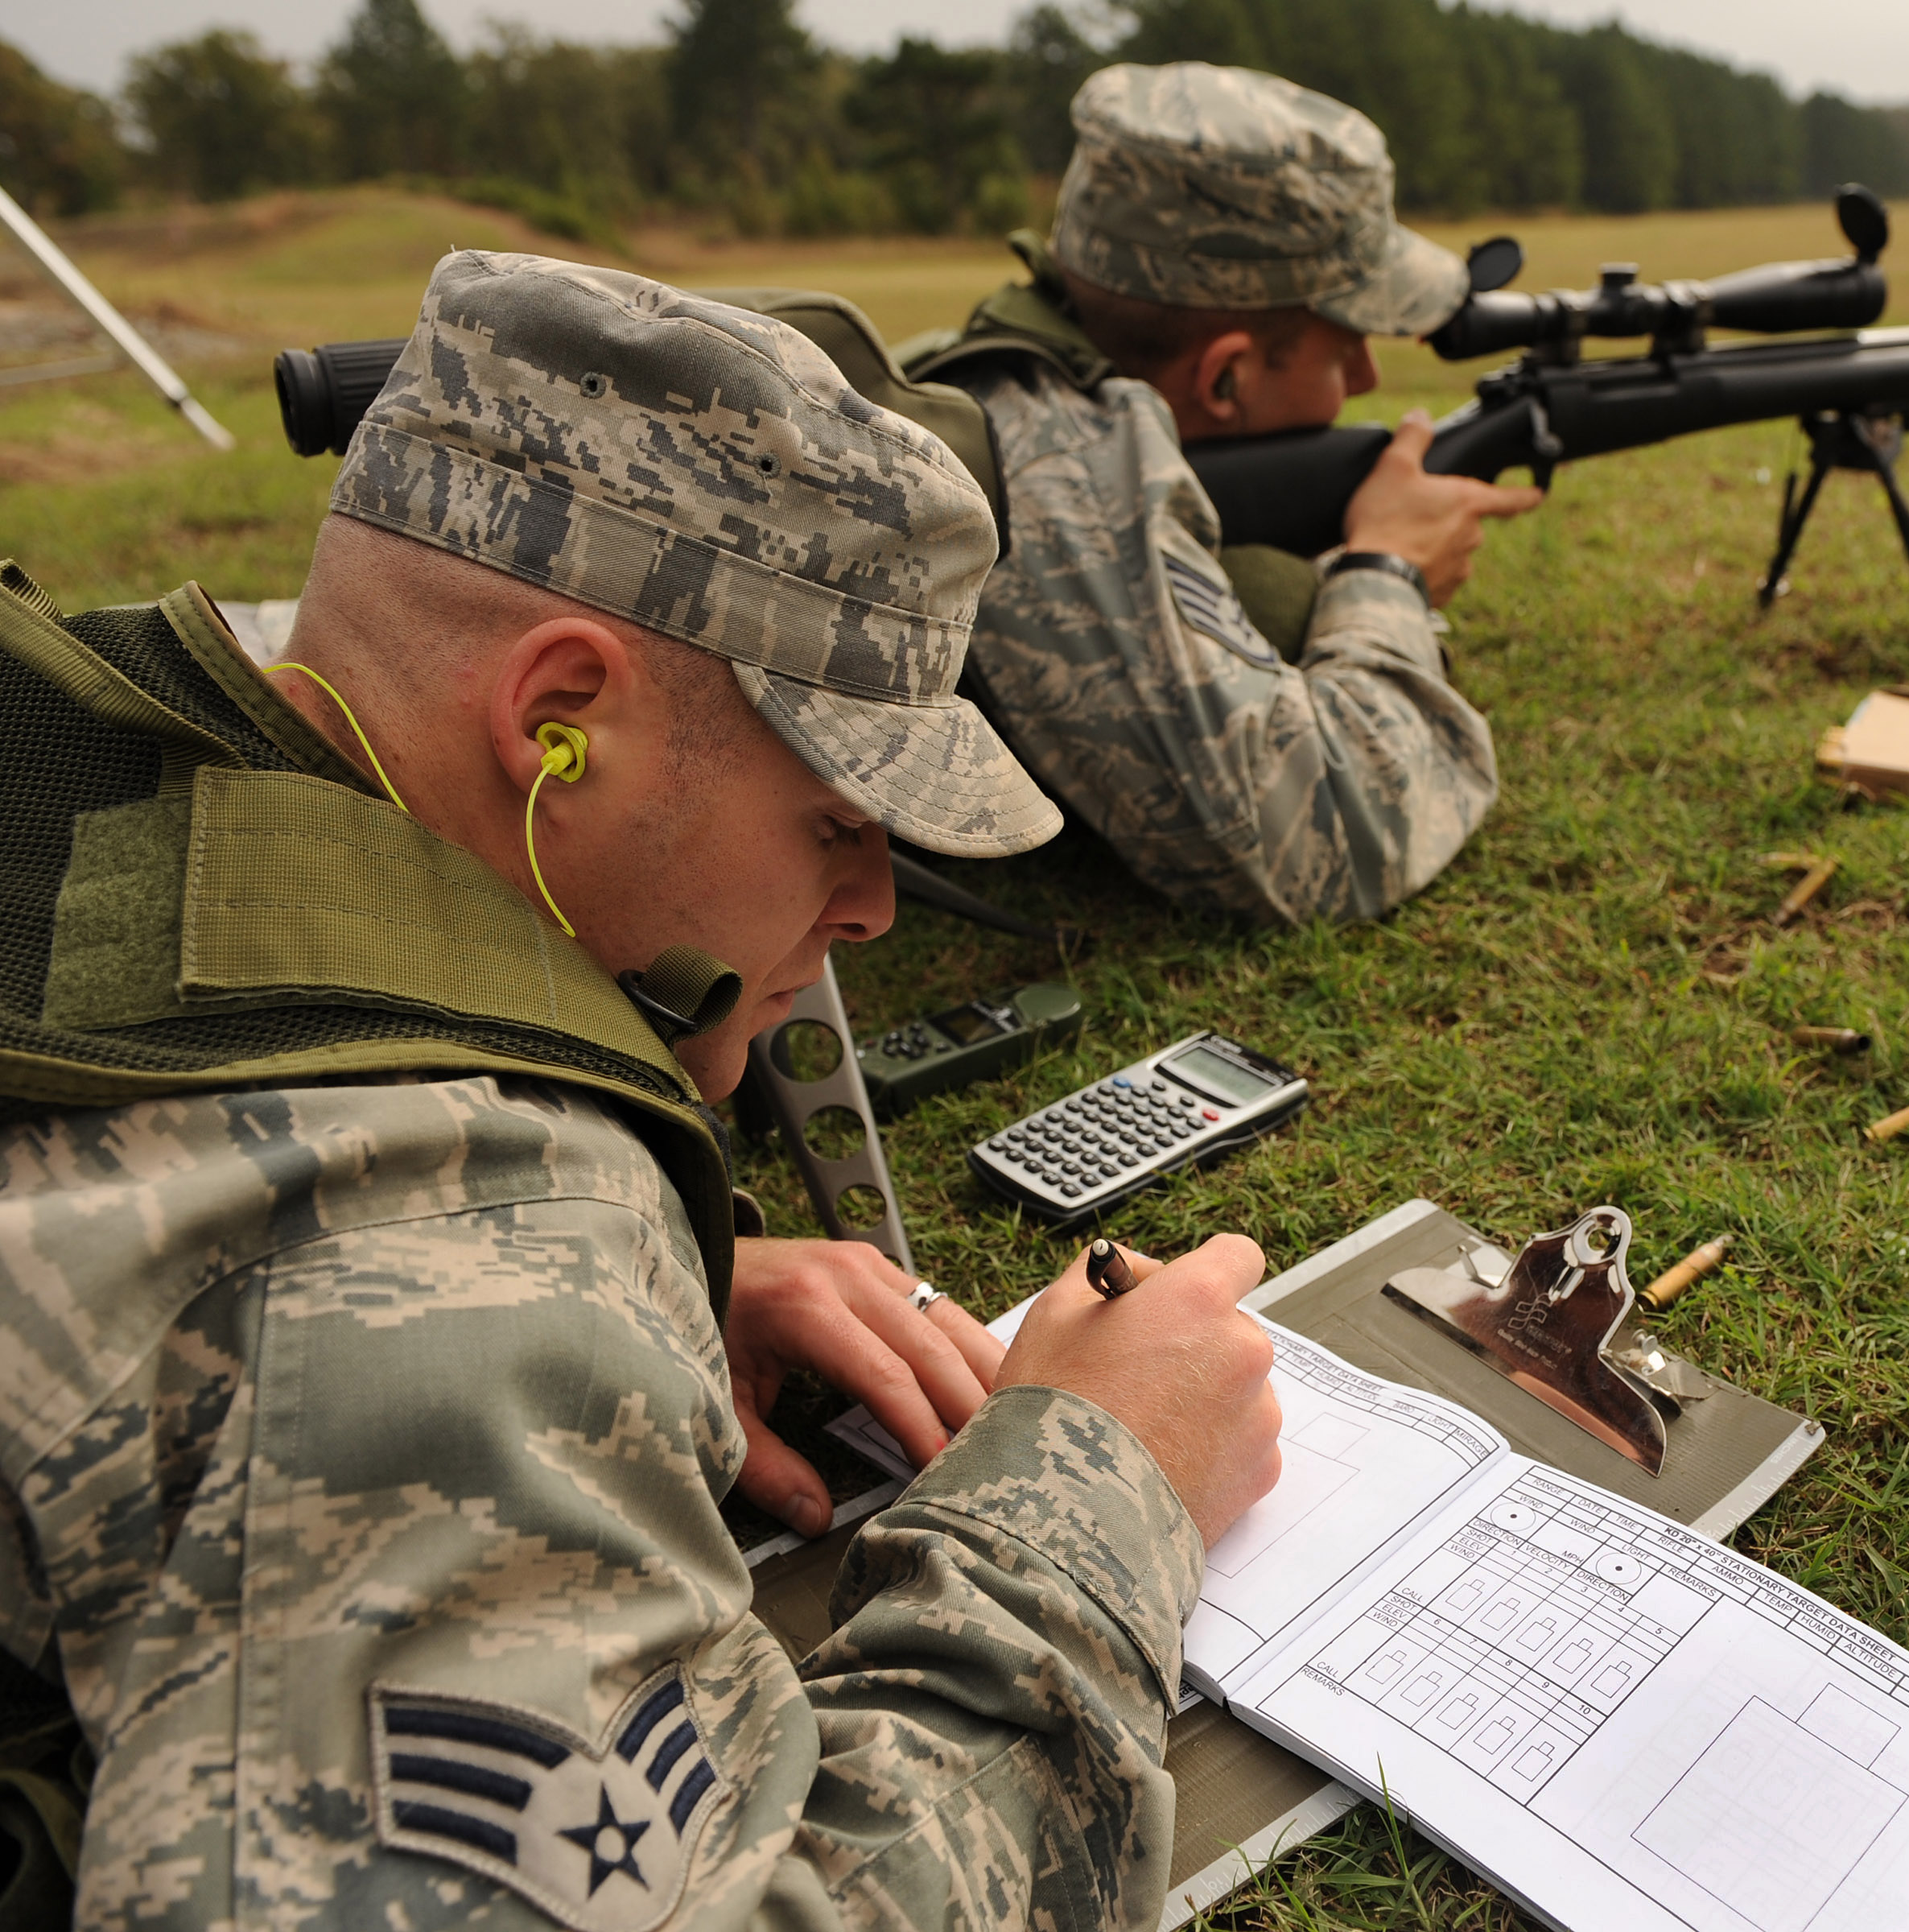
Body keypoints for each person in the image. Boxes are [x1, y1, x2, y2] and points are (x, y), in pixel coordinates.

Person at [0, 251, 1282, 1930]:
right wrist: (1101, 1491)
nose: (878, 908)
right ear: (559, 720)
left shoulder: (72, 779)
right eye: (838, 819)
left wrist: (689, 1277)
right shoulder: (450, 1252)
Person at [910, 61, 1544, 927]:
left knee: (1266, 590)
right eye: (1343, 348)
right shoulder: (1056, 475)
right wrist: (1386, 573)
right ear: (1225, 378)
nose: (1365, 377)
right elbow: (1327, 846)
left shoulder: (1011, 370)